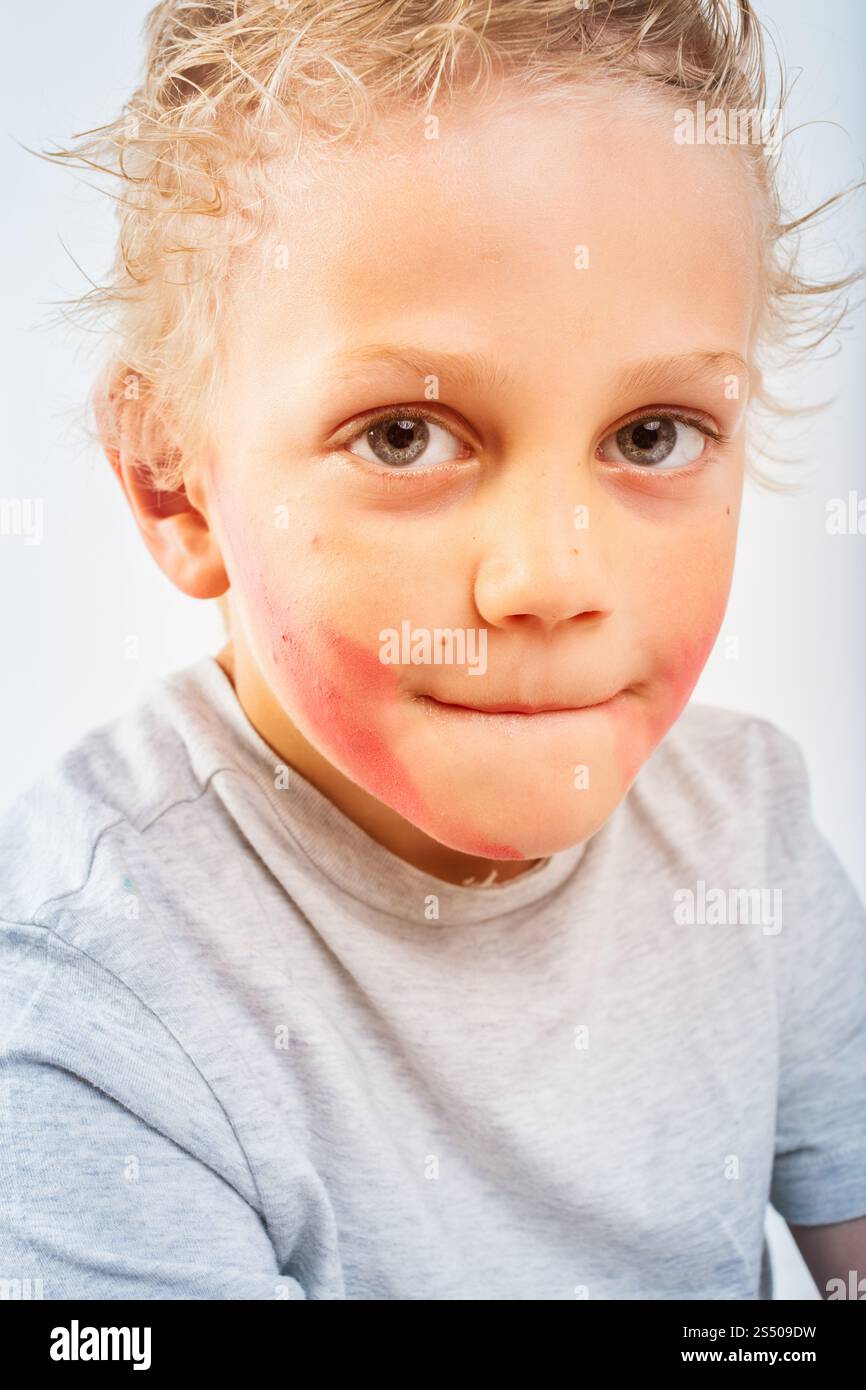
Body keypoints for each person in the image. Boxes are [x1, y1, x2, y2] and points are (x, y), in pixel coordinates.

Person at [1, 0, 864, 1300]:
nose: (550, 578)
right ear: (178, 489)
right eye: (404, 434)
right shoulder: (91, 1001)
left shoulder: (745, 834)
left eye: (649, 434)